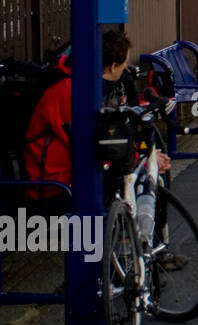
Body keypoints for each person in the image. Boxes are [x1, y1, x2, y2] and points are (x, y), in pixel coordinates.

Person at [23, 30, 168, 208]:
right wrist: (142, 161)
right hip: (54, 186)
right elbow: (96, 142)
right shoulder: (70, 91)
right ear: (113, 66)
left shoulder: (79, 84)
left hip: (68, 175)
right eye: (124, 65)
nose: (125, 69)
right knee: (123, 182)